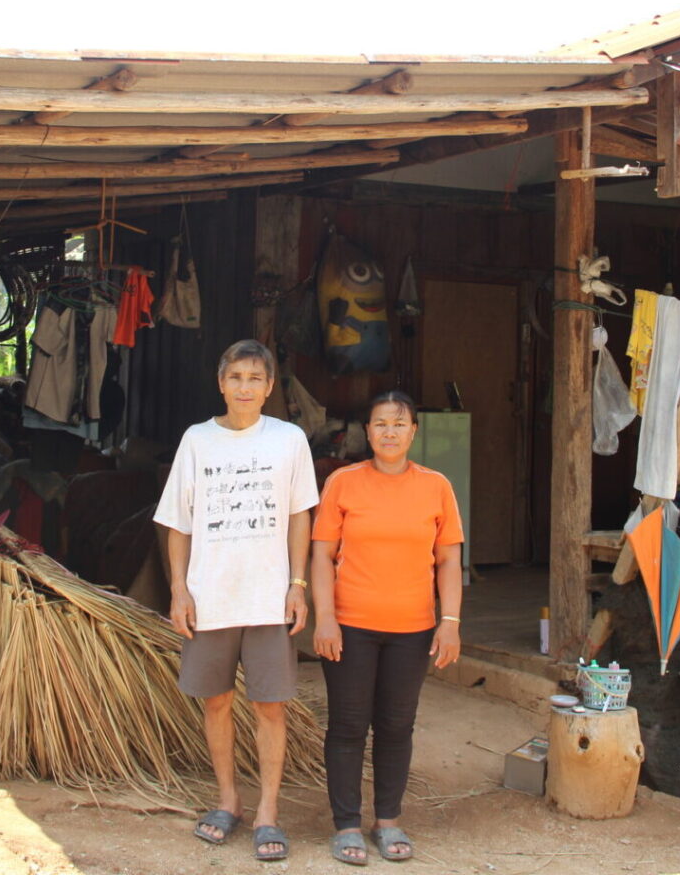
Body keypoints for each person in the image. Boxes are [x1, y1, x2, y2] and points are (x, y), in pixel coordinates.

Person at [154, 339, 318, 862]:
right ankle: (228, 800)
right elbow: (178, 522)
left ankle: (268, 810)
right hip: (210, 596)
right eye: (236, 377)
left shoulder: (289, 440)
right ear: (220, 383)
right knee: (217, 701)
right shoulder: (197, 441)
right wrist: (179, 588)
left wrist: (298, 585)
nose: (245, 387)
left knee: (270, 705)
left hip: (268, 597)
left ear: (270, 388)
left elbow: (300, 517)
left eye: (255, 378)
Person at [311, 391, 464, 865]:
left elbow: (449, 559)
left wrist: (450, 622)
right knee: (348, 724)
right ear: (368, 431)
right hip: (351, 626)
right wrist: (326, 618)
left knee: (397, 725)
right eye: (380, 424)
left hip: (413, 628)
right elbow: (320, 554)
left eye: (399, 425)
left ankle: (389, 820)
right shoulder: (344, 483)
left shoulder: (436, 486)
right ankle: (346, 824)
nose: (390, 433)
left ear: (414, 432)